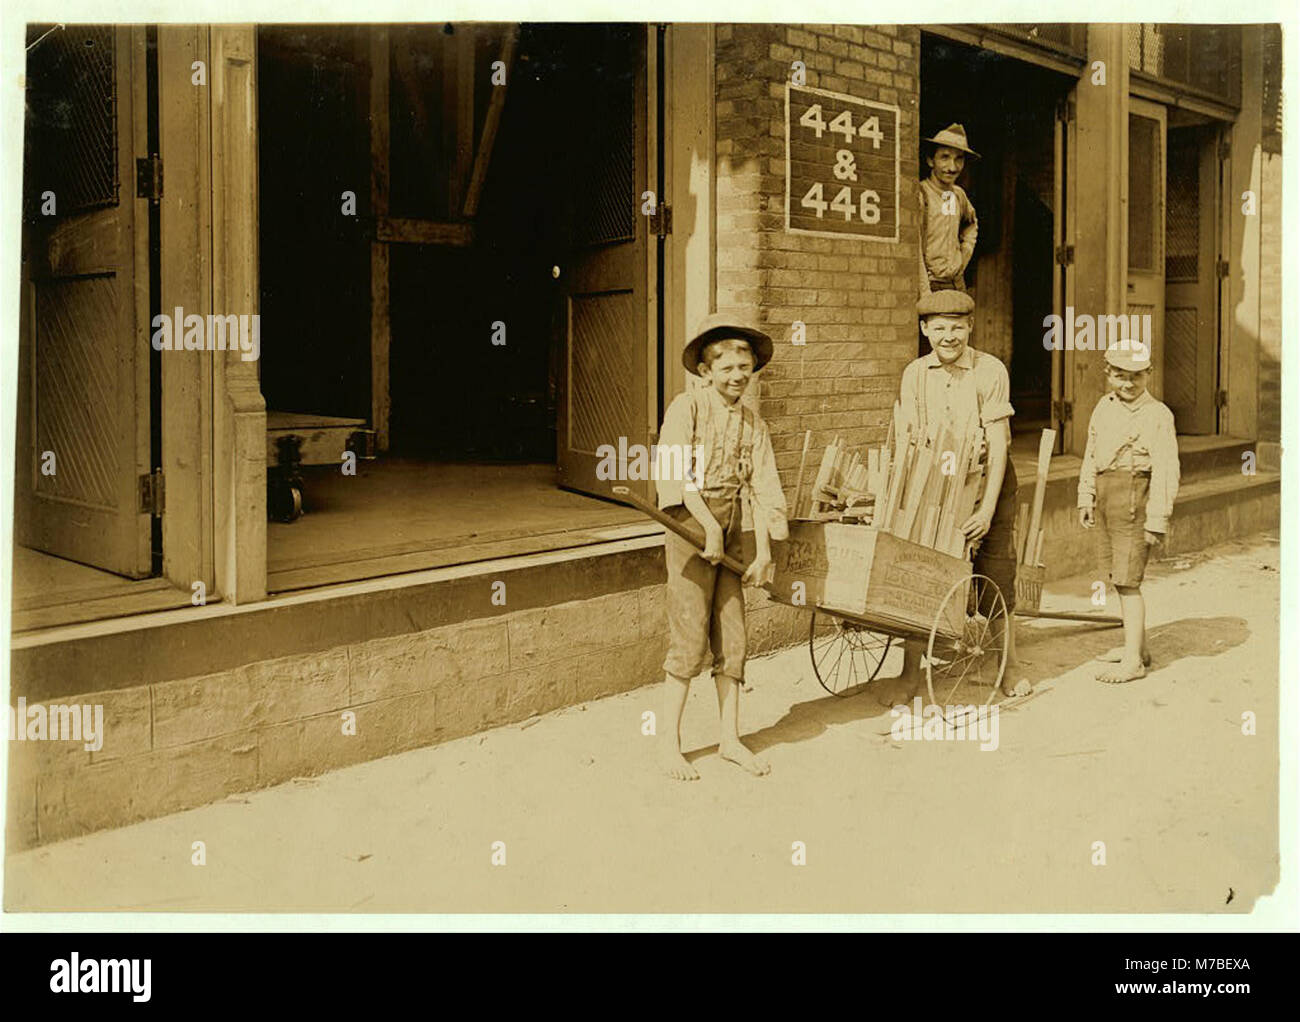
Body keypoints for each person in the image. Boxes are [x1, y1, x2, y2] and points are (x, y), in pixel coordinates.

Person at [655, 313, 789, 780]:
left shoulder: (754, 423)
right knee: (690, 637)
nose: (737, 377)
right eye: (726, 369)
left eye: (744, 368)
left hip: (730, 527)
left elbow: (763, 487)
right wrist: (708, 528)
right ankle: (668, 744)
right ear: (706, 372)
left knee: (732, 637)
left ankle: (730, 739)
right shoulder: (685, 409)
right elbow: (675, 474)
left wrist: (765, 551)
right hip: (690, 523)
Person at [896, 289, 1030, 697]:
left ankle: (1009, 664)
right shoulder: (915, 374)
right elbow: (910, 439)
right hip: (934, 483)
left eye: (957, 327)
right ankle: (909, 671)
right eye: (939, 328)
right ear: (925, 330)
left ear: (970, 326)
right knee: (920, 568)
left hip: (990, 480)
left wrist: (986, 511)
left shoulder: (990, 371)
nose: (949, 336)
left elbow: (1000, 443)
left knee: (996, 570)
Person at [1078, 335, 1181, 683]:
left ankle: (1133, 662)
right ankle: (1139, 648)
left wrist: (1158, 518)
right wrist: (1086, 495)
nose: (1128, 383)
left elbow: (1167, 469)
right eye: (1120, 374)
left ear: (1149, 373)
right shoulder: (1104, 407)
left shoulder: (1157, 415)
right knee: (1117, 576)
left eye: (1136, 375)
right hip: (1108, 496)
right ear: (1107, 373)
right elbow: (1092, 454)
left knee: (1128, 581)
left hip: (1136, 496)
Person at [917, 123, 980, 297]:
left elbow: (971, 224)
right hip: (929, 285)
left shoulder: (958, 195)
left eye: (959, 158)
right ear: (931, 160)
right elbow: (914, 244)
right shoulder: (921, 194)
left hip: (956, 283)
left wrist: (964, 255)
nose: (952, 167)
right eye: (944, 157)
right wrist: (924, 291)